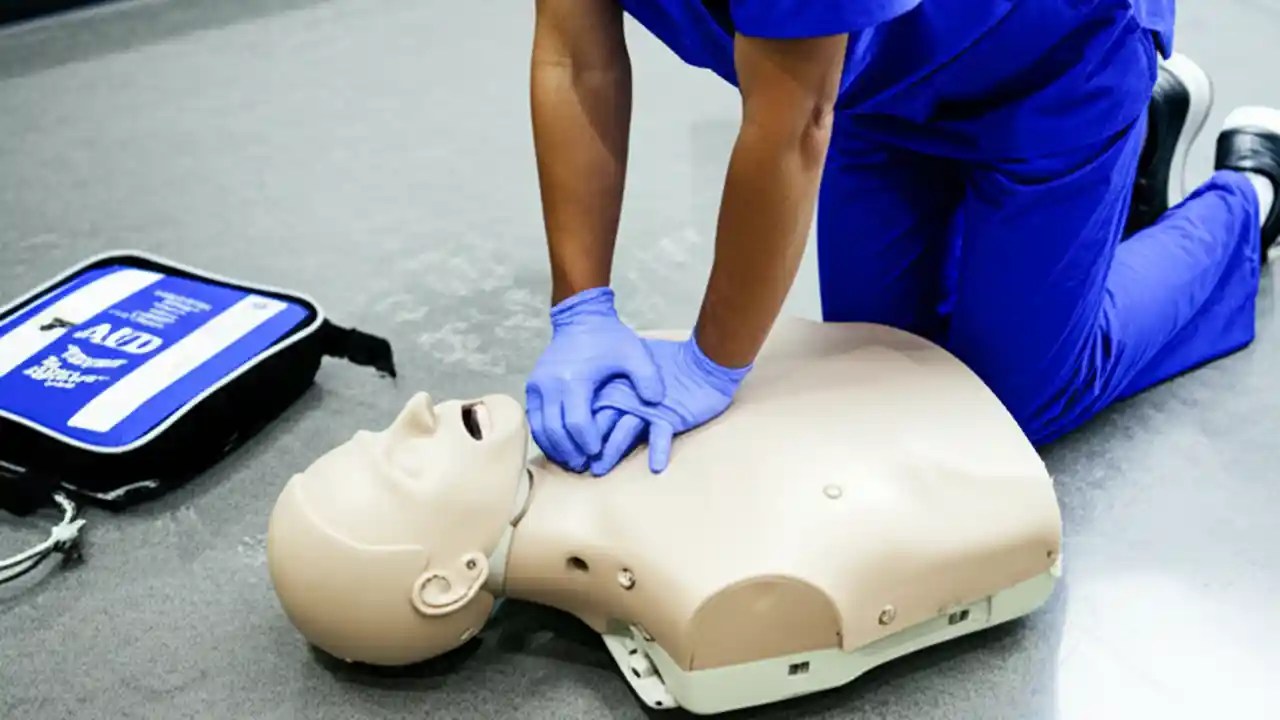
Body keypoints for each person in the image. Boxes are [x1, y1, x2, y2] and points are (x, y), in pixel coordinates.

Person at [523, 0, 1280, 476]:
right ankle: (1147, 132)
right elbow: (574, 53)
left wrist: (711, 364)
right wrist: (581, 307)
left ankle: (1246, 200)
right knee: (885, 364)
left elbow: (793, 131)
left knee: (1011, 402)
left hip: (1058, 66)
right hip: (876, 89)